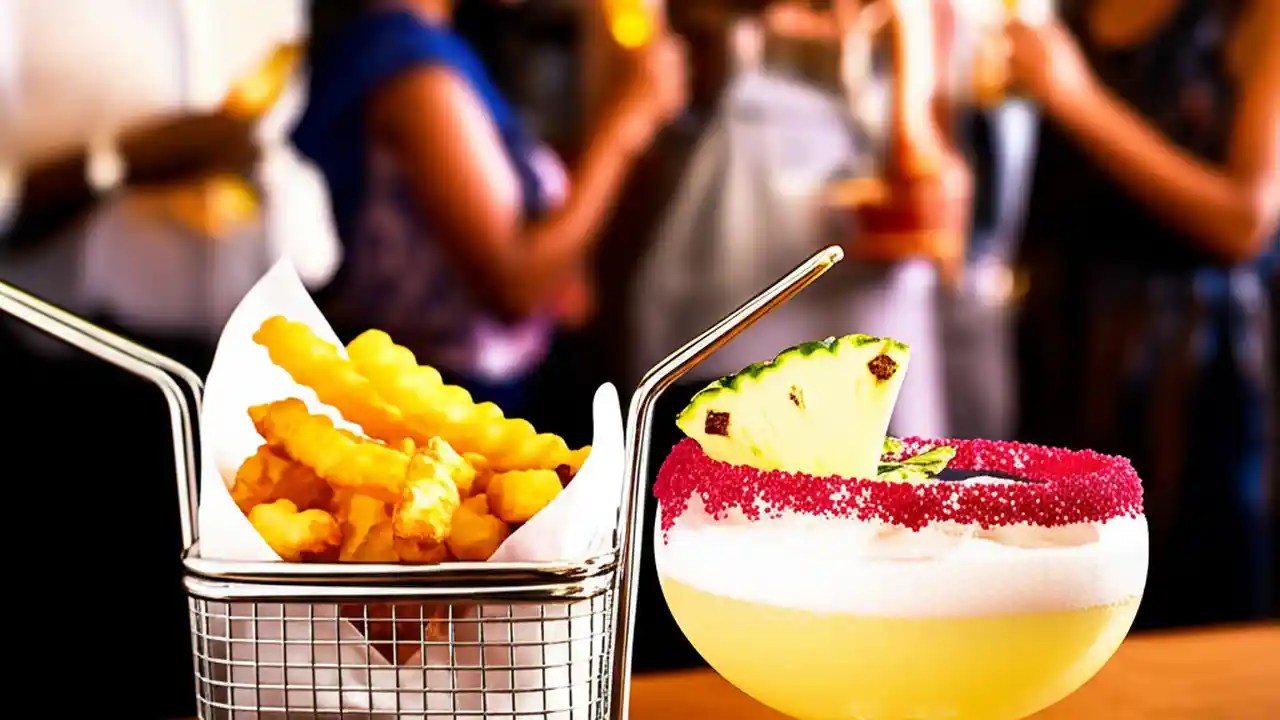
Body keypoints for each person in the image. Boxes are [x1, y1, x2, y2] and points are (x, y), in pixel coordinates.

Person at [1006, 0, 1280, 628]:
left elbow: (1247, 222)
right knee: (1057, 612)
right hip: (1061, 351)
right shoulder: (1067, 15)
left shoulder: (1256, 16)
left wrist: (1076, 100)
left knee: (1190, 617)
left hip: (1191, 369)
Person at [291, 0, 686, 430]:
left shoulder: (425, 48)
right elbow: (514, 285)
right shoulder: (414, 72)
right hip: (441, 423)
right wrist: (625, 125)